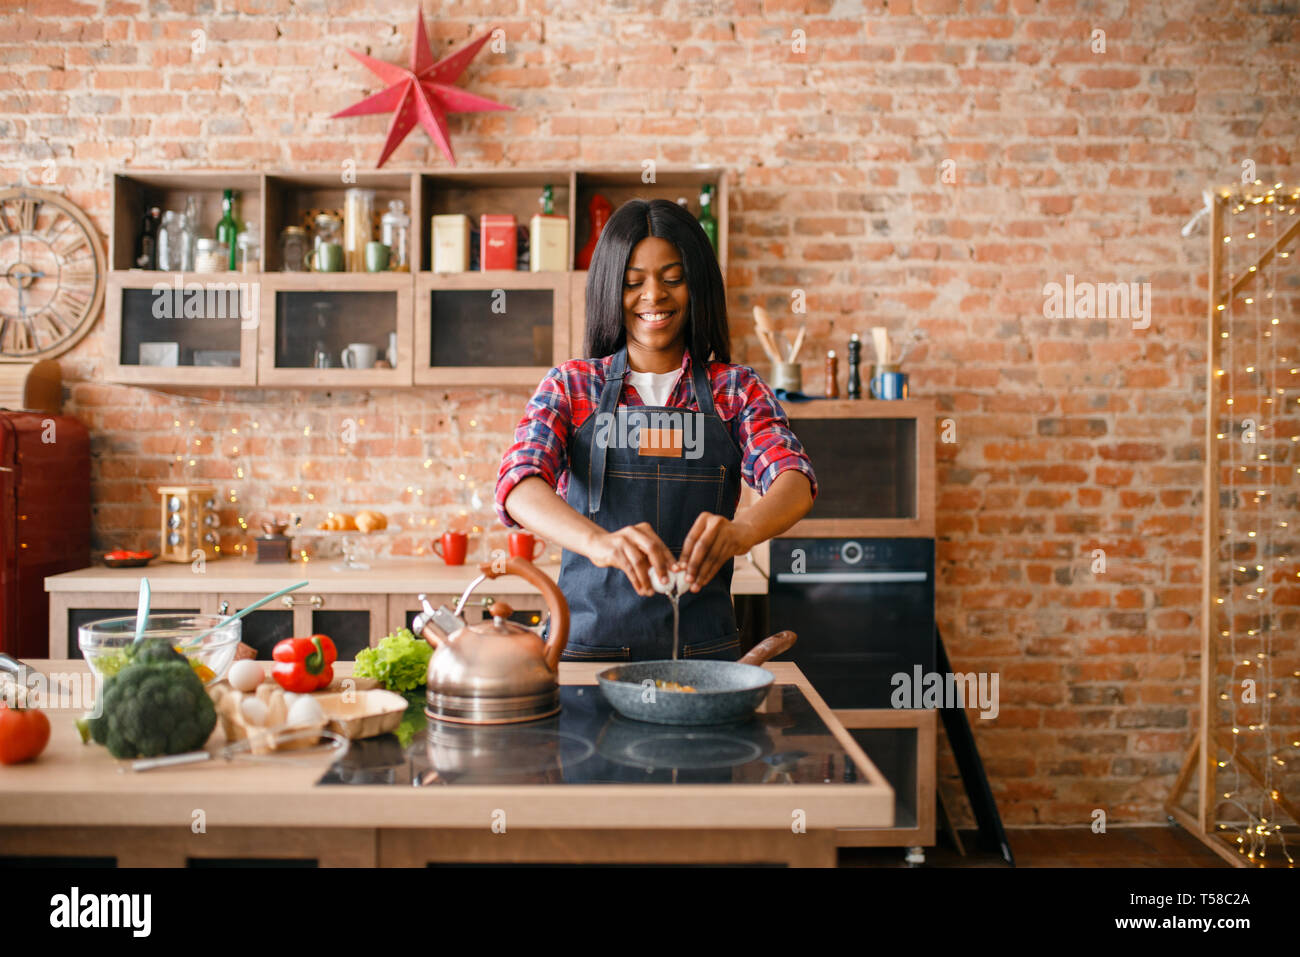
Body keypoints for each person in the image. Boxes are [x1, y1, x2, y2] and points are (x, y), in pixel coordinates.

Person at [494, 198, 817, 661]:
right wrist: (598, 543)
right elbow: (517, 484)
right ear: (610, 289)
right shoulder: (571, 385)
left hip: (703, 663)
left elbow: (795, 479)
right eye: (632, 283)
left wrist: (741, 532)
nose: (653, 296)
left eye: (672, 279)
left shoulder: (737, 389)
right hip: (586, 656)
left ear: (697, 286)